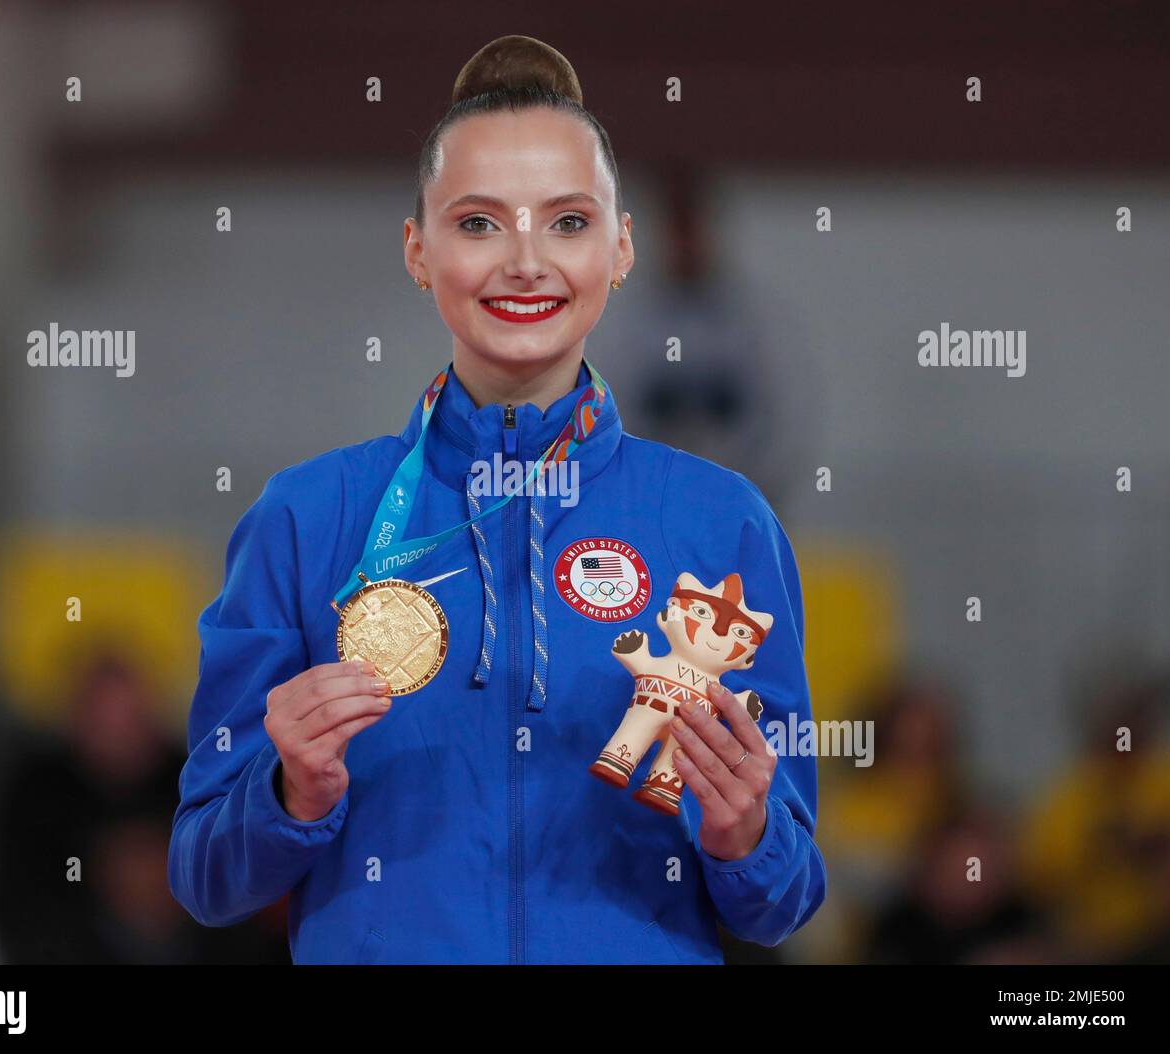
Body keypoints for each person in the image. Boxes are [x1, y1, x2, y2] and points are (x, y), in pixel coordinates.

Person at [168, 34, 825, 964]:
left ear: (622, 245)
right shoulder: (306, 518)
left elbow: (787, 894)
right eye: (478, 223)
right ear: (418, 250)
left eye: (567, 222)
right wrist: (289, 799)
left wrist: (743, 837)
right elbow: (202, 875)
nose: (525, 262)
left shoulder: (722, 524)